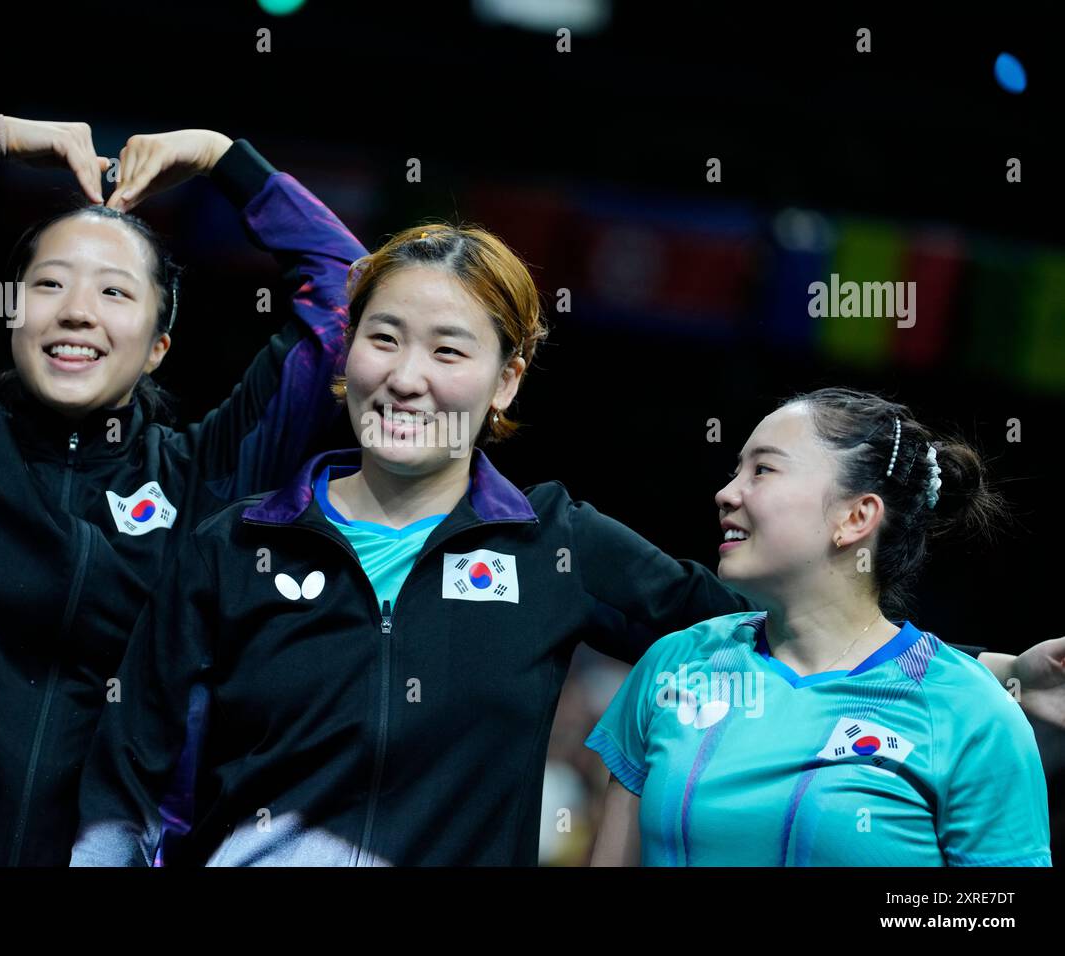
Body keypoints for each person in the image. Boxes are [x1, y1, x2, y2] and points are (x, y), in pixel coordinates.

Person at [70, 225, 1059, 866]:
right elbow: (128, 784)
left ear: (506, 381)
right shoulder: (228, 546)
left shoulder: (556, 544)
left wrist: (992, 672)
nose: (408, 376)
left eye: (450, 349)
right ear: (343, 359)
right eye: (383, 338)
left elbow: (790, 625)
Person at [0, 113, 367, 865]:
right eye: (48, 284)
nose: (77, 310)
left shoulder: (207, 478)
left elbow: (356, 295)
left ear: (157, 348)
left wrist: (224, 160)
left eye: (115, 292)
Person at [587, 388, 1053, 866]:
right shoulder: (675, 664)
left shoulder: (974, 713)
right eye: (736, 471)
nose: (726, 494)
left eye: (763, 470)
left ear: (856, 517)